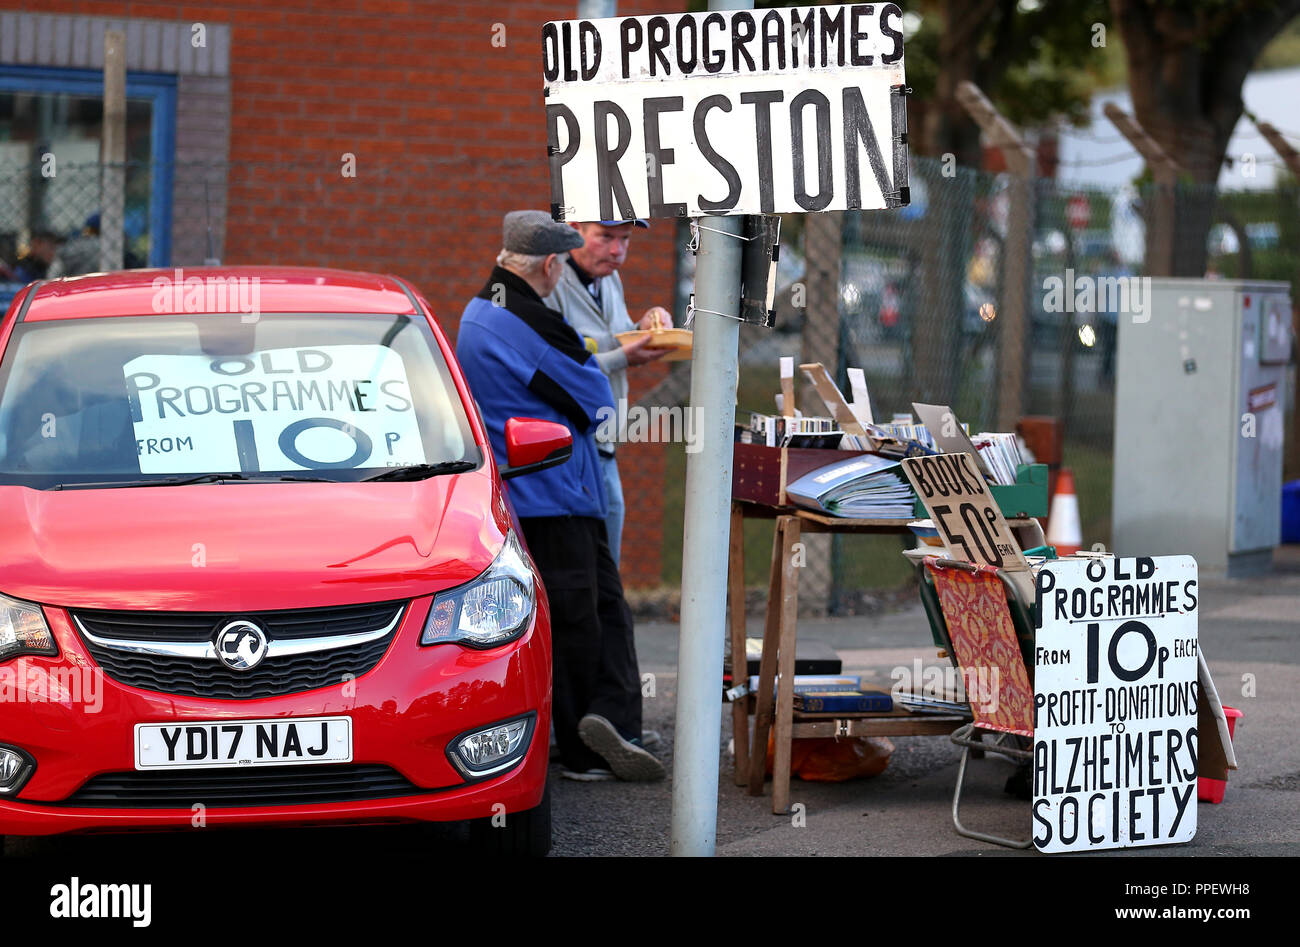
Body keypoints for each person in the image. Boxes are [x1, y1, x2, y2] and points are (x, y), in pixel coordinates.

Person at [456, 210, 664, 782]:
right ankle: (585, 744)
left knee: (591, 611)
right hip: (556, 490)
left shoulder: (484, 309)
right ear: (550, 264)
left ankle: (610, 723)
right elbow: (597, 397)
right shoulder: (524, 319)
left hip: (538, 490)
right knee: (585, 617)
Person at [544, 219, 670, 568]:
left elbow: (613, 339)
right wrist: (623, 356)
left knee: (605, 567)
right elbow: (555, 368)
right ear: (574, 230)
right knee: (584, 568)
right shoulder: (552, 281)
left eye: (625, 239)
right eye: (605, 237)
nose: (617, 251)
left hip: (605, 442)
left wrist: (644, 326)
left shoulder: (608, 276)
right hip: (571, 448)